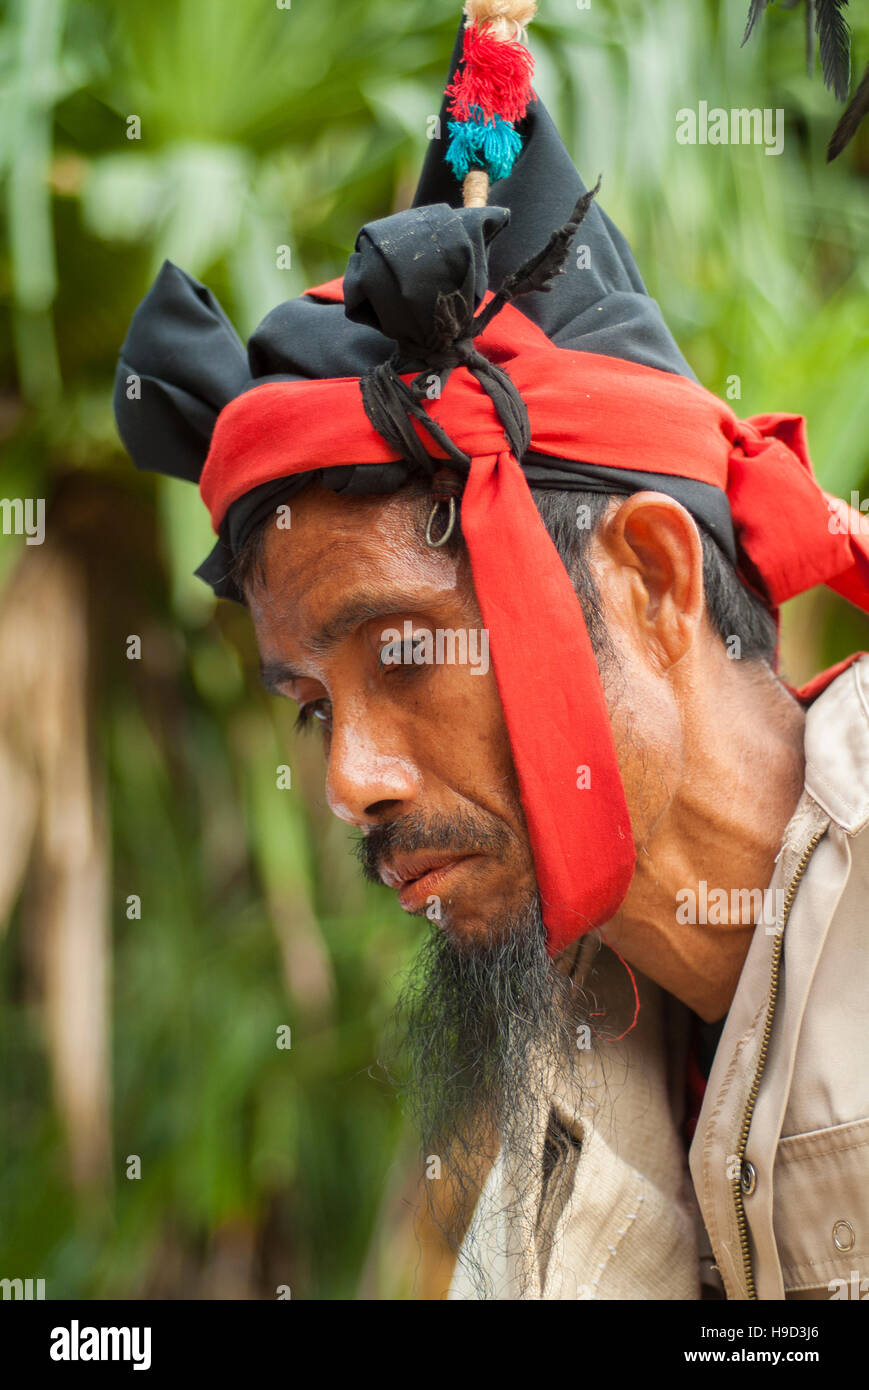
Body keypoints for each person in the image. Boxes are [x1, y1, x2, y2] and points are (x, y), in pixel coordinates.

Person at [113, 8, 869, 1300]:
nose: (348, 780)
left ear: (650, 580)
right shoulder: (572, 1080)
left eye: (399, 650)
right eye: (310, 707)